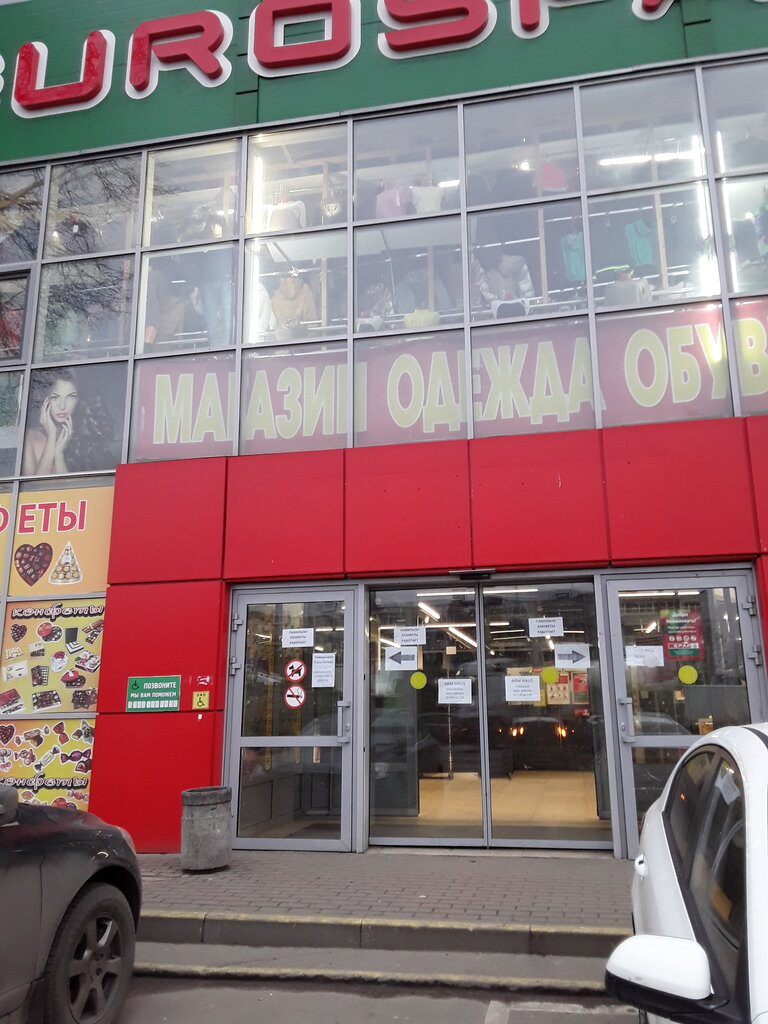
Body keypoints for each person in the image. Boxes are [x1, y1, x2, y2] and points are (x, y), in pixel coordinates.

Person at [21, 370, 115, 475]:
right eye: (55, 397)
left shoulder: (87, 438)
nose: (62, 406)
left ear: (79, 400)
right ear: (46, 400)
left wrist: (58, 453)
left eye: (71, 397)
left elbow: (69, 485)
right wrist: (51, 437)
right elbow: (35, 485)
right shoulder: (30, 437)